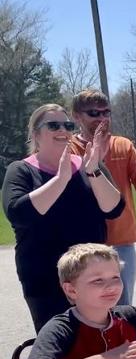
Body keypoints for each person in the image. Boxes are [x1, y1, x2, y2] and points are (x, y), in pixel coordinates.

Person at [2, 104, 124, 333]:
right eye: (53, 125)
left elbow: (114, 209)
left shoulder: (89, 163)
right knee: (61, 344)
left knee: (101, 338)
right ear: (36, 134)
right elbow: (18, 213)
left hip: (95, 275)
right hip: (46, 277)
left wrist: (93, 171)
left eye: (67, 125)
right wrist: (60, 179)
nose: (63, 130)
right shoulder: (21, 170)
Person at [69, 89, 136, 306]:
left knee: (121, 307)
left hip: (121, 242)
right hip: (83, 243)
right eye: (93, 113)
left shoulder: (123, 145)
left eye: (105, 113)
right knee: (86, 308)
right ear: (77, 116)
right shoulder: (69, 148)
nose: (101, 118)